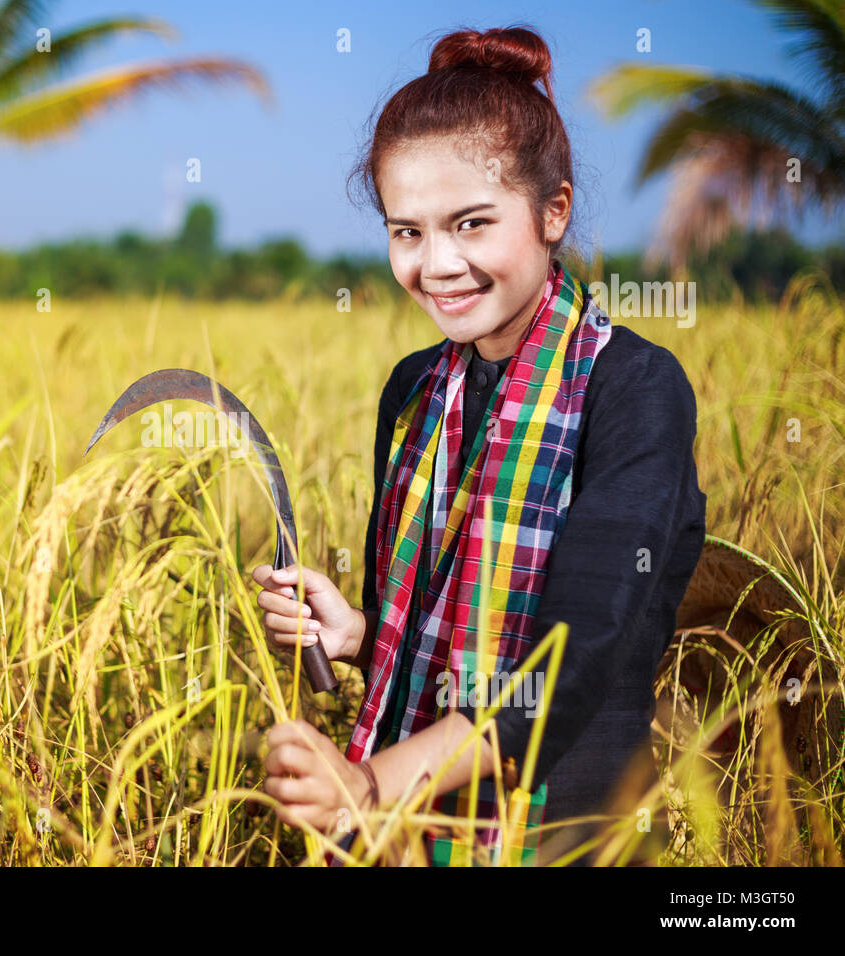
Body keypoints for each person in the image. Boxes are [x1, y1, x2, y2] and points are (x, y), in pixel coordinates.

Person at [251, 25, 706, 866]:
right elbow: (432, 620)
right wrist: (354, 632)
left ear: (552, 213)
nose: (438, 265)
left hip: (571, 838)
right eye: (407, 231)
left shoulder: (635, 391)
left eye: (470, 223)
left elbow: (569, 659)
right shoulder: (416, 391)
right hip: (412, 840)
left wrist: (370, 787)